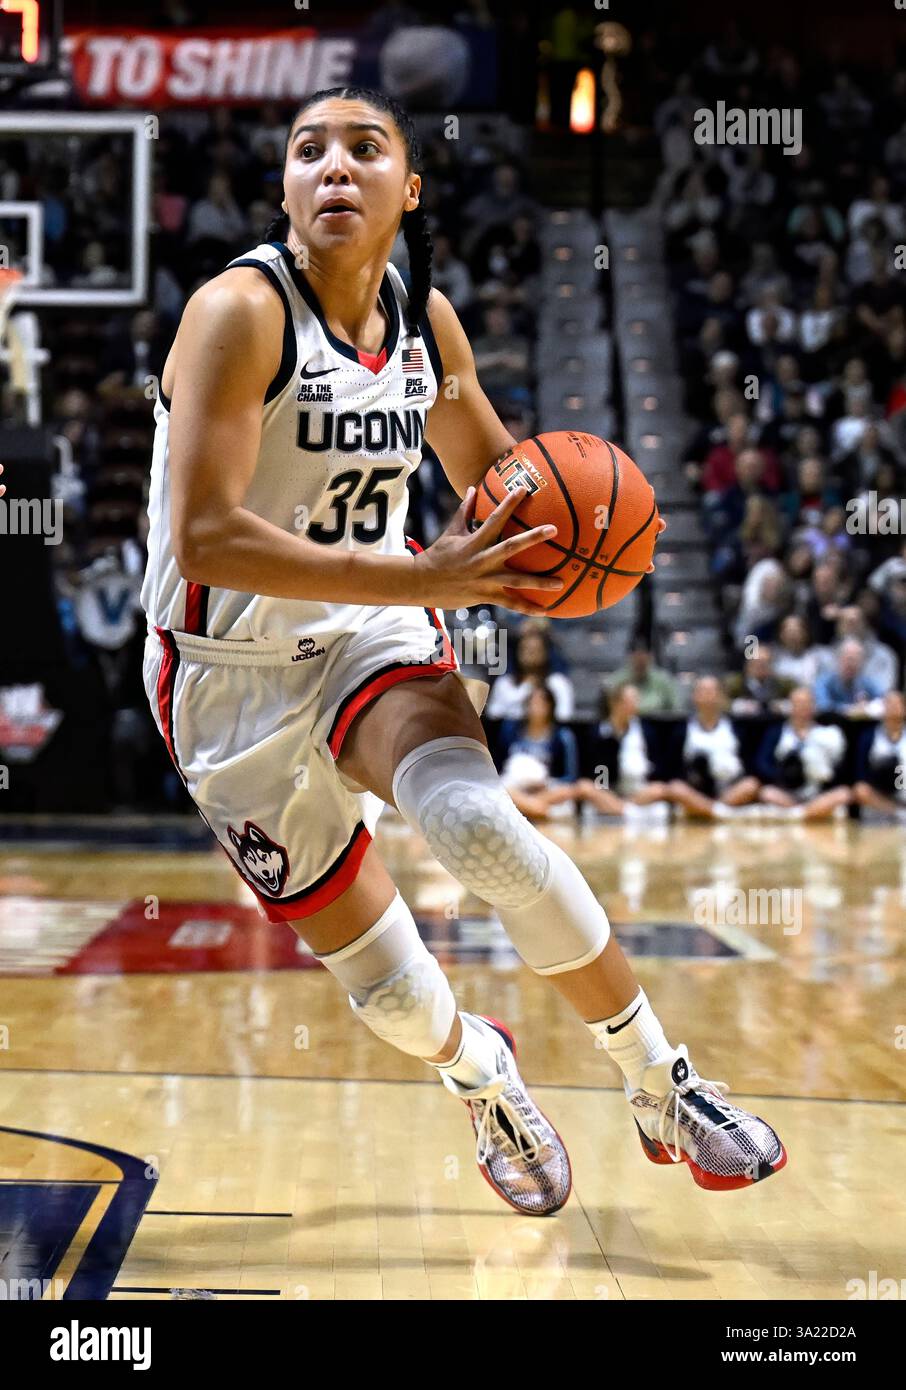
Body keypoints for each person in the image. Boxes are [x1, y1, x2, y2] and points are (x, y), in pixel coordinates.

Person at [139, 86, 785, 1214]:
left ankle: (661, 1080)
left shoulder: (423, 320)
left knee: (479, 824)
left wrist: (576, 543)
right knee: (389, 991)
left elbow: (505, 494)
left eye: (365, 148)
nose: (334, 167)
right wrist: (428, 574)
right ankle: (480, 1073)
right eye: (308, 152)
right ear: (286, 191)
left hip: (370, 635)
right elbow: (208, 535)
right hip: (223, 669)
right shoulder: (238, 312)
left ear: (410, 189)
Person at [668, 676, 761, 819]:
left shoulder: (736, 728)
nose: (707, 695)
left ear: (721, 697)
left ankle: (709, 810)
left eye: (712, 691)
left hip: (730, 791)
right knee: (675, 788)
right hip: (696, 791)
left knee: (751, 784)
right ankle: (718, 812)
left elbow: (748, 764)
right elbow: (674, 767)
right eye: (703, 691)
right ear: (694, 697)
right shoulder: (682, 730)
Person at [755, 687, 850, 821]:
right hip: (787, 793)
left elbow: (841, 766)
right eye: (798, 704)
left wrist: (823, 773)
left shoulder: (829, 734)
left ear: (814, 706)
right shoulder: (776, 733)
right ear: (790, 706)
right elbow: (762, 762)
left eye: (807, 703)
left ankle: (799, 814)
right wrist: (781, 775)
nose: (803, 708)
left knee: (843, 794)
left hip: (818, 793)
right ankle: (809, 813)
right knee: (766, 793)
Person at [497, 683, 581, 820]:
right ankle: (538, 810)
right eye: (533, 702)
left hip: (548, 789)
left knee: (567, 792)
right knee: (502, 790)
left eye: (542, 702)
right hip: (516, 787)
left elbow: (570, 777)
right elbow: (499, 768)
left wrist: (544, 783)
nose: (536, 707)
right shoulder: (511, 732)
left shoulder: (563, 736)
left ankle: (524, 809)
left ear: (550, 706)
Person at [486, 624, 574, 722]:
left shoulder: (558, 683)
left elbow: (564, 717)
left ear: (545, 654)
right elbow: (493, 716)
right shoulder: (505, 683)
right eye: (524, 649)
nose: (529, 655)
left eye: (535, 650)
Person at [853, 690, 906, 822]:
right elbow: (860, 777)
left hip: (903, 793)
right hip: (879, 799)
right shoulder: (869, 736)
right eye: (889, 703)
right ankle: (898, 813)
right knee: (861, 789)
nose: (893, 707)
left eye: (897, 703)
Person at [607, 638, 681, 714]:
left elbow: (676, 710)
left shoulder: (664, 680)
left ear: (650, 658)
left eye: (643, 663)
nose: (639, 663)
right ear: (630, 658)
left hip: (656, 723)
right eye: (636, 660)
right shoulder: (616, 681)